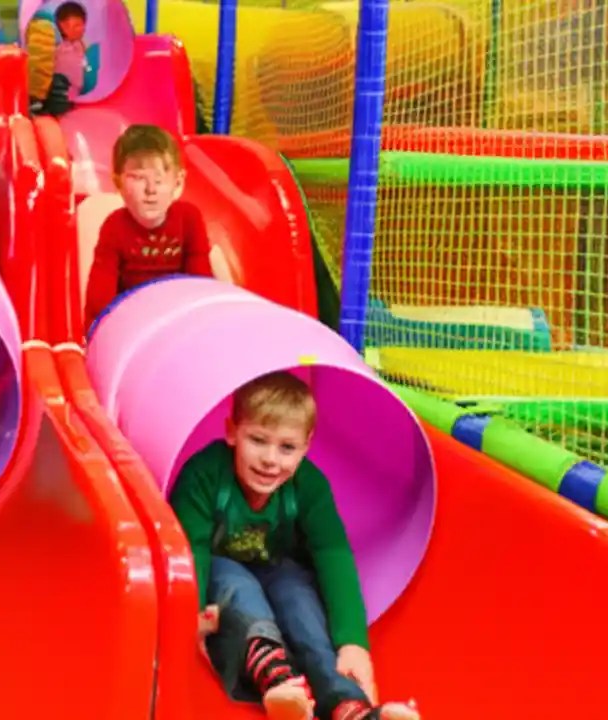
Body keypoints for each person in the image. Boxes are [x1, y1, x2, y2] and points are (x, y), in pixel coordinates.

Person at [170, 372, 421, 720]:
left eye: (287, 448)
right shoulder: (204, 474)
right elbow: (189, 547)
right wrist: (189, 616)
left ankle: (350, 707)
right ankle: (281, 684)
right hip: (219, 575)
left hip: (277, 570)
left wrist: (353, 643)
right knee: (239, 587)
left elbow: (333, 555)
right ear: (232, 432)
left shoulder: (309, 485)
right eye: (258, 440)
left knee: (299, 597)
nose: (271, 459)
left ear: (306, 446)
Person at [82, 124, 213, 331]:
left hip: (179, 317)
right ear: (118, 184)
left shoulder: (189, 219)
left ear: (177, 183)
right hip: (132, 323)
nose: (150, 190)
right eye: (139, 178)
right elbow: (99, 302)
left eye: (159, 180)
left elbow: (202, 285)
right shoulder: (114, 227)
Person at [32, 1, 89, 116]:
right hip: (58, 93)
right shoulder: (58, 46)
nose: (78, 29)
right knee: (58, 83)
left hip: (73, 94)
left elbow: (82, 64)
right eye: (73, 26)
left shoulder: (81, 44)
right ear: (61, 26)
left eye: (80, 25)